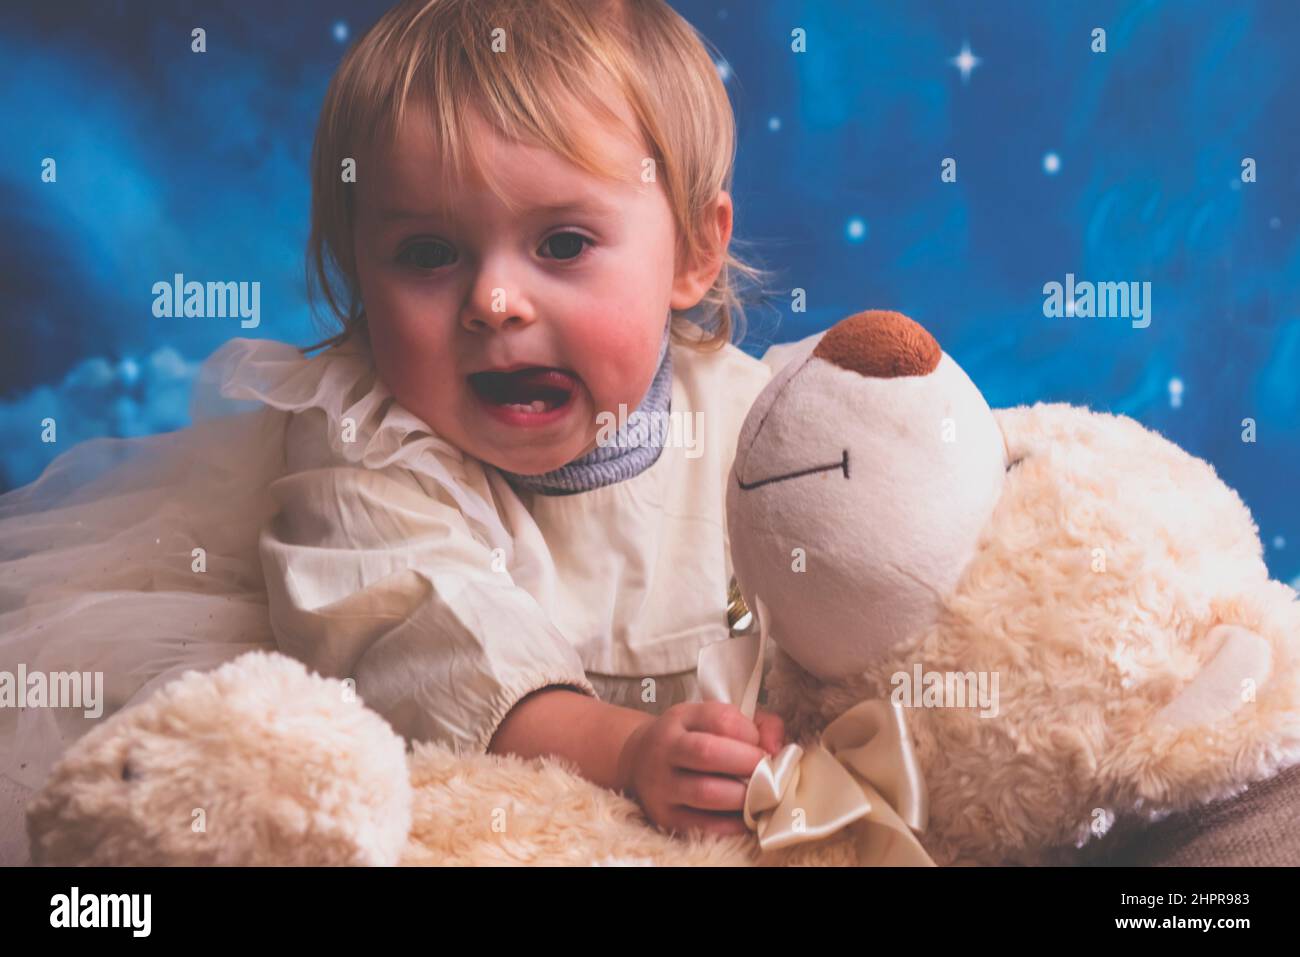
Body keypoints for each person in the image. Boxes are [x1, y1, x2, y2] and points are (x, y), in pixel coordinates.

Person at [0, 0, 789, 844]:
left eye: (562, 244)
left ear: (696, 252)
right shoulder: (361, 449)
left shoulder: (760, 425)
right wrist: (629, 749)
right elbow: (433, 649)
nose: (493, 302)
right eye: (427, 254)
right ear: (358, 273)